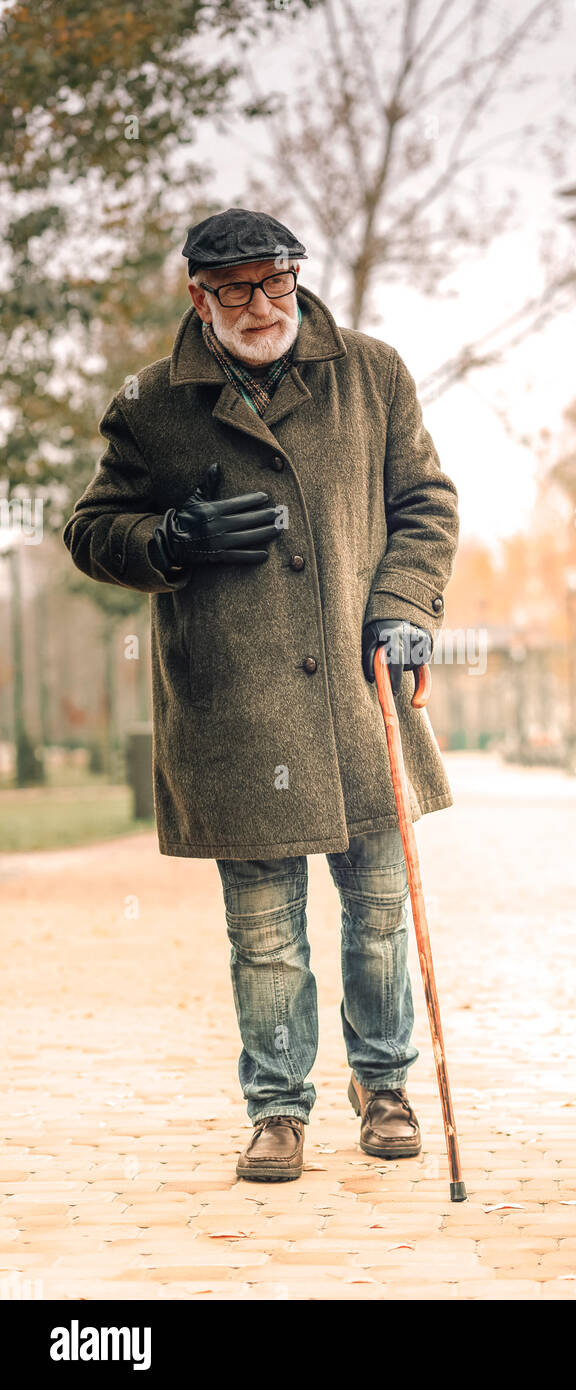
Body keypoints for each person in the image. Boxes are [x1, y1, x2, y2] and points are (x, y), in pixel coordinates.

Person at [63, 208, 460, 1181]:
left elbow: (425, 503)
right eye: (234, 289)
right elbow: (90, 527)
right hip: (235, 712)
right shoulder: (150, 404)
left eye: (275, 283)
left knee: (376, 912)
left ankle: (387, 1081)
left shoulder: (371, 374)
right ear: (197, 296)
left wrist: (405, 604)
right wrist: (169, 540)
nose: (259, 305)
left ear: (296, 277)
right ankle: (278, 1107)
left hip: (357, 699)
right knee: (266, 932)